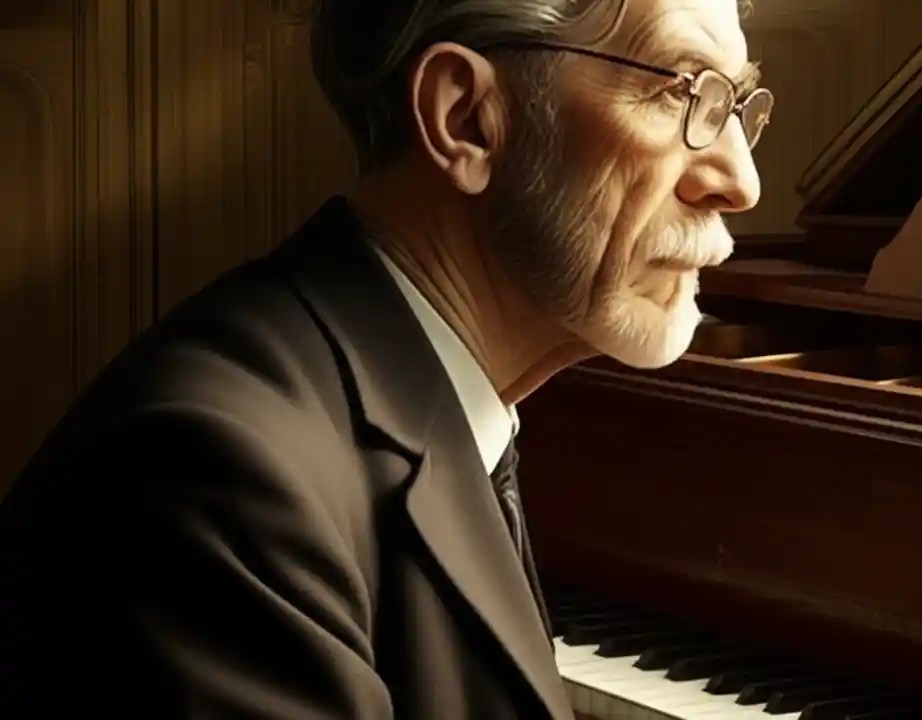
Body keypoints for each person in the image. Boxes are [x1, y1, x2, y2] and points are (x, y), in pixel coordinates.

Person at [0, 0, 769, 716]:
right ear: (464, 118)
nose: (742, 183)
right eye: (681, 94)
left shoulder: (409, 385)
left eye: (735, 103)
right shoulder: (220, 473)